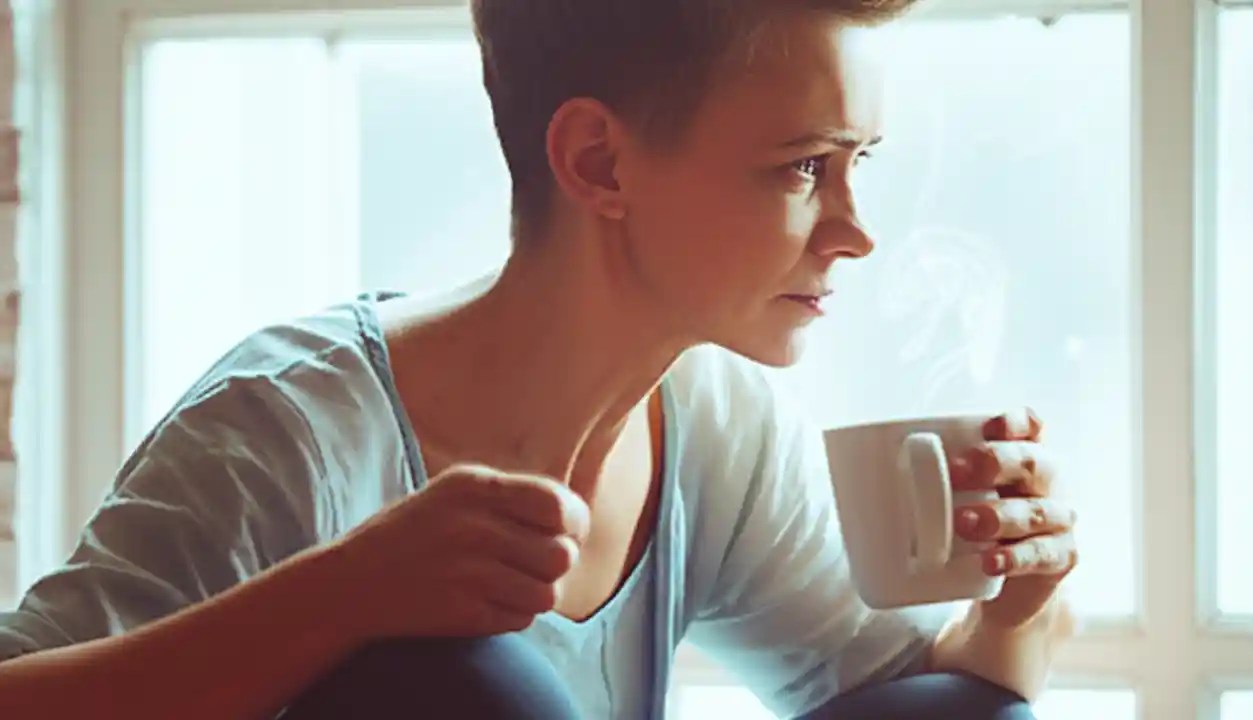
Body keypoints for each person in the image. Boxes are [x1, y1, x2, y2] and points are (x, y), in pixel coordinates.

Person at [0, 0, 1078, 717]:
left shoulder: (712, 416)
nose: (855, 232)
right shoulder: (287, 432)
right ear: (598, 161)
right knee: (461, 685)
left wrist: (1011, 609)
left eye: (859, 163)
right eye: (803, 167)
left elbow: (923, 699)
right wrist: (341, 596)